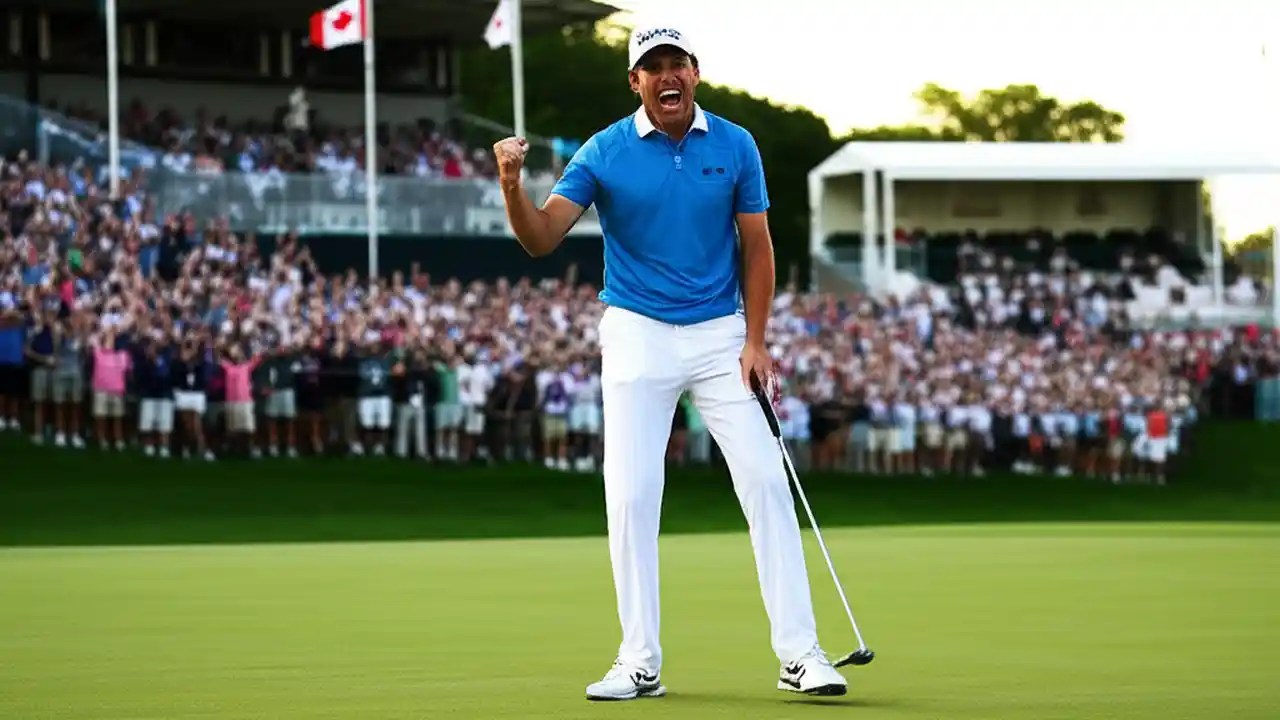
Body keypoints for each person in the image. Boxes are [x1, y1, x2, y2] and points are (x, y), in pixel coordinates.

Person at [493, 22, 847, 700]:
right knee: (630, 495)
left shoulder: (736, 145)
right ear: (635, 81)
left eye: (676, 63)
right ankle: (639, 660)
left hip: (721, 334)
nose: (667, 76)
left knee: (767, 484)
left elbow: (759, 247)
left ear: (695, 72)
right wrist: (512, 185)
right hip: (636, 332)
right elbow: (541, 238)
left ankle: (800, 653)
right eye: (652, 67)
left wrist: (756, 340)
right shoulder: (604, 150)